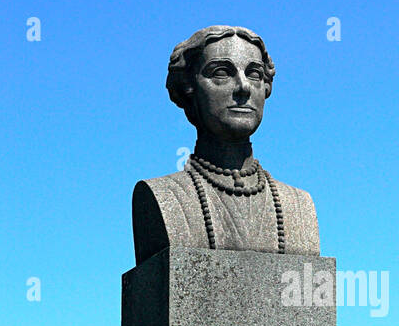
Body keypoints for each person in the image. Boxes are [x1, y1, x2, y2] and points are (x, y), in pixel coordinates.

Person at [132, 25, 320, 262]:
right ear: (188, 87)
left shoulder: (298, 206)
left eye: (254, 74)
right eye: (221, 72)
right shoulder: (163, 197)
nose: (243, 87)